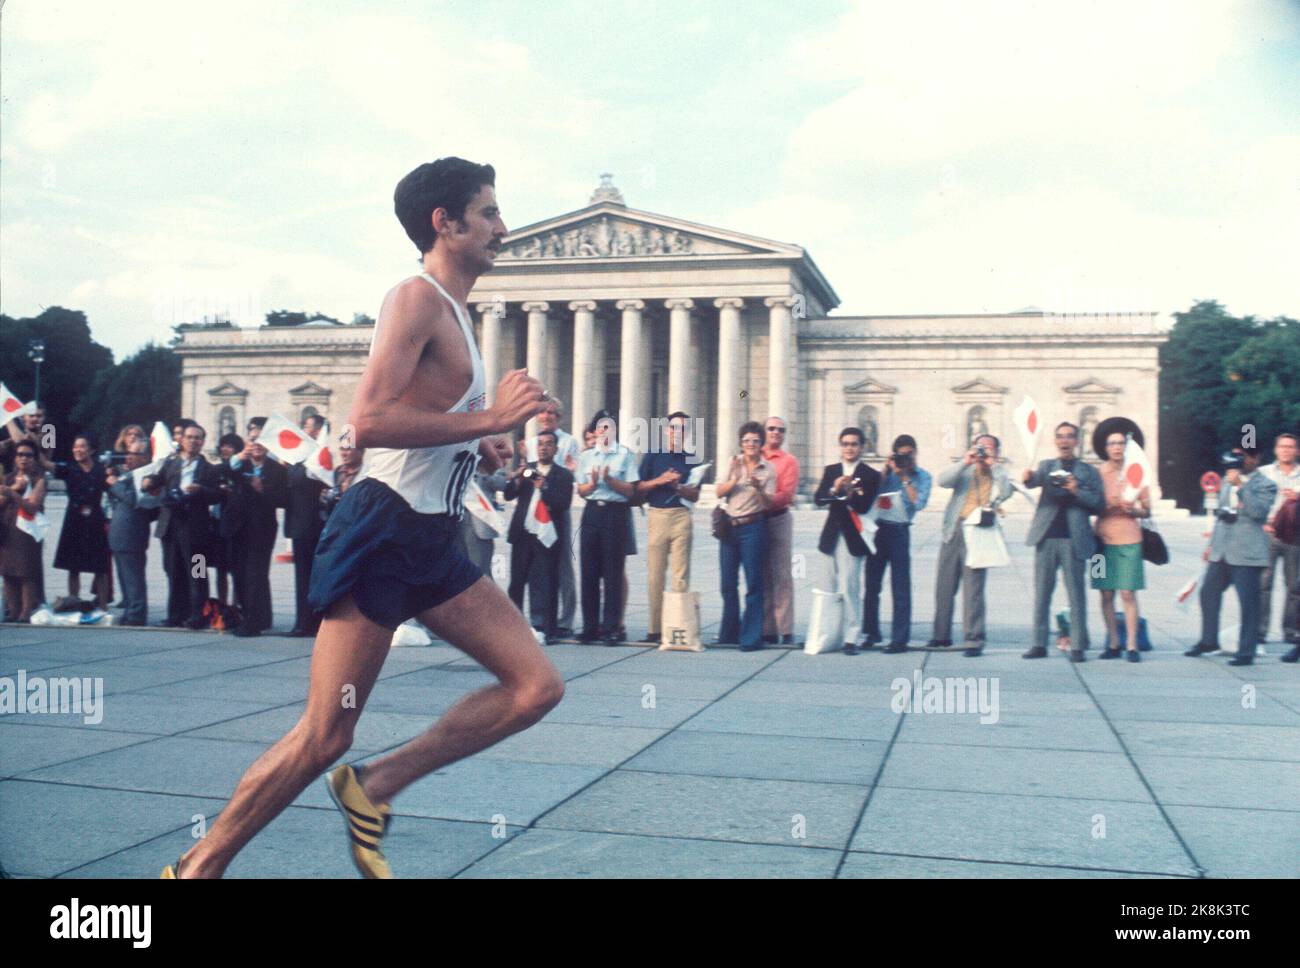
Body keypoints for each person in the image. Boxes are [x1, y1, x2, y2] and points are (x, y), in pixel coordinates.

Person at [163, 157, 559, 879]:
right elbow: (370, 419)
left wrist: (488, 435)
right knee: (324, 733)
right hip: (382, 532)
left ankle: (377, 786)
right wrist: (491, 414)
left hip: (432, 541)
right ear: (447, 223)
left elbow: (425, 414)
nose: (504, 227)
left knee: (535, 688)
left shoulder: (456, 312)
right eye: (491, 212)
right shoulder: (415, 298)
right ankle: (196, 869)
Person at [1185, 445, 1276, 665]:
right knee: (1208, 593)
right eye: (1236, 458)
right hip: (1222, 551)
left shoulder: (1266, 484)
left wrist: (1241, 487)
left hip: (1247, 552)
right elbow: (1221, 516)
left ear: (1255, 458)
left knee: (1249, 603)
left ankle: (1246, 651)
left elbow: (1258, 512)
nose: (1239, 462)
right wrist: (1211, 546)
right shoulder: (1226, 481)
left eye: (1243, 458)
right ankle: (1208, 640)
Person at [1022, 422, 1104, 661]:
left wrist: (1076, 490)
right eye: (1060, 437)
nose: (1065, 441)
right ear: (1056, 441)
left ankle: (1077, 645)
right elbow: (1034, 480)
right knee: (1041, 593)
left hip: (1074, 538)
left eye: (1069, 437)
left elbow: (1099, 504)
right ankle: (1038, 643)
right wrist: (1027, 478)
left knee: (1076, 593)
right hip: (1046, 536)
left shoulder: (1089, 471)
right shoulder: (1047, 466)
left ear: (1077, 441)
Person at [931, 434, 1012, 657]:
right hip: (954, 529)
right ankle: (941, 635)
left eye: (988, 448)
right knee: (944, 586)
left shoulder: (998, 472)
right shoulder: (965, 469)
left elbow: (1006, 492)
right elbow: (943, 480)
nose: (983, 451)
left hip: (978, 532)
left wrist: (993, 466)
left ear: (996, 452)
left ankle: (973, 639)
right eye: (980, 446)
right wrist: (965, 461)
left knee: (973, 589)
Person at [144, 423, 221, 630]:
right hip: (171, 525)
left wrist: (201, 490)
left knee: (197, 572)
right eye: (189, 437)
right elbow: (156, 479)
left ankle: (199, 615)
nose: (193, 441)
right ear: (182, 440)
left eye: (198, 438)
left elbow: (217, 494)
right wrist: (147, 481)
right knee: (173, 570)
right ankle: (175, 614)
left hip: (196, 529)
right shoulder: (171, 464)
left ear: (203, 442)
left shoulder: (209, 469)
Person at [863, 434, 932, 653]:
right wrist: (885, 470)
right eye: (901, 455)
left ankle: (899, 638)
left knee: (900, 586)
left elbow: (919, 503)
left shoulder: (923, 476)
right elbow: (869, 494)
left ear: (915, 454)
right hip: (880, 528)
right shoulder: (887, 473)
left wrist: (904, 477)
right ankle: (871, 633)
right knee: (872, 585)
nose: (905, 459)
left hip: (900, 530)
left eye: (909, 454)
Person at [814, 427, 881, 654]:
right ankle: (826, 634)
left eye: (854, 444)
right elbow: (819, 499)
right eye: (845, 444)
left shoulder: (871, 474)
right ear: (840, 446)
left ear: (862, 447)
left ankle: (851, 636)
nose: (849, 448)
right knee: (827, 587)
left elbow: (864, 506)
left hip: (853, 537)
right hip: (831, 535)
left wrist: (851, 492)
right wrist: (835, 488)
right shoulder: (831, 470)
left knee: (850, 587)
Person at [575, 409, 639, 644]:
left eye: (609, 427)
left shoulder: (625, 455)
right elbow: (580, 490)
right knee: (588, 571)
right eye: (600, 427)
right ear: (594, 431)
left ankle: (611, 627)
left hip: (615, 514)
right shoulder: (586, 457)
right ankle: (590, 627)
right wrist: (591, 485)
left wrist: (611, 481)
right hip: (592, 511)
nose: (604, 432)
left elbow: (632, 490)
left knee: (613, 572)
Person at [637, 412, 702, 643]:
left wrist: (680, 488)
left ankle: (677, 627)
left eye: (682, 429)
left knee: (680, 575)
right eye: (673, 428)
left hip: (681, 516)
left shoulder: (692, 458)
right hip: (657, 516)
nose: (677, 433)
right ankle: (654, 629)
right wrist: (661, 480)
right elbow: (640, 487)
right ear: (666, 431)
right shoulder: (654, 456)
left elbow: (696, 495)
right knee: (655, 575)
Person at [505, 430, 574, 643]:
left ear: (556, 449)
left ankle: (549, 629)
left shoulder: (563, 475)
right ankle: (513, 628)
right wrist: (516, 478)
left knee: (549, 582)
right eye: (541, 443)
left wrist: (544, 487)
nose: (544, 447)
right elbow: (509, 495)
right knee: (517, 582)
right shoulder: (529, 471)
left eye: (549, 444)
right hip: (523, 533)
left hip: (547, 535)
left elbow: (563, 504)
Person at [1091, 419, 1152, 662]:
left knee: (1128, 592)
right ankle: (1113, 642)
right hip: (1100, 540)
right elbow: (1089, 503)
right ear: (1105, 448)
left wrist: (1134, 509)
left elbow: (1147, 509)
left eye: (1121, 443)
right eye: (1112, 443)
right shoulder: (1097, 474)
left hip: (1129, 538)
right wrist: (1104, 505)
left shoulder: (1136, 472)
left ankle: (1132, 644)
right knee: (1105, 593)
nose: (1117, 447)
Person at [716, 422, 776, 651]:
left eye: (756, 441)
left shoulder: (768, 469)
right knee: (728, 583)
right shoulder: (733, 463)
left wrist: (759, 488)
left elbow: (769, 503)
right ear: (741, 443)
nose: (751, 444)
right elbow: (719, 491)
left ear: (761, 444)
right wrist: (735, 478)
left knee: (754, 583)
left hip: (753, 527)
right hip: (730, 527)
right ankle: (729, 633)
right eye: (747, 441)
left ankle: (751, 637)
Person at [523, 398, 579, 632]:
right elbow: (529, 473)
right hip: (535, 509)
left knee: (563, 565)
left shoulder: (569, 442)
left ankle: (565, 619)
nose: (546, 416)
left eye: (551, 412)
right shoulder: (531, 441)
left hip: (557, 509)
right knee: (536, 566)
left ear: (559, 416)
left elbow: (569, 474)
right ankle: (538, 617)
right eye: (542, 412)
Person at [229, 430, 288, 638]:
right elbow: (223, 471)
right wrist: (239, 456)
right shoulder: (239, 465)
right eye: (253, 440)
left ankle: (252, 622)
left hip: (262, 529)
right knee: (239, 573)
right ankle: (258, 616)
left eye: (262, 440)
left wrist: (262, 490)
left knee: (256, 574)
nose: (257, 445)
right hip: (237, 528)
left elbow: (283, 499)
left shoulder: (277, 470)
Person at [52, 435, 112, 608]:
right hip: (74, 521)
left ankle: (103, 606)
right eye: (75, 446)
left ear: (91, 450)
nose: (77, 450)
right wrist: (47, 435)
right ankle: (73, 601)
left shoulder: (102, 470)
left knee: (100, 567)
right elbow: (44, 462)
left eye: (82, 446)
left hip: (95, 521)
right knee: (73, 566)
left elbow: (113, 489)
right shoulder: (69, 469)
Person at [284, 413, 329, 637]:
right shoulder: (298, 458)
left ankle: (310, 621)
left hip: (312, 525)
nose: (303, 429)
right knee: (302, 577)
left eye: (307, 426)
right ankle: (304, 620)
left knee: (311, 577)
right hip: (299, 525)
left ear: (318, 431)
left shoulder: (320, 458)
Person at [105, 440, 155, 626]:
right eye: (128, 453)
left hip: (132, 534)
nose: (129, 457)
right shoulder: (129, 474)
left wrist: (115, 484)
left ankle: (136, 614)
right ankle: (129, 611)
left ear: (145, 457)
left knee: (133, 578)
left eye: (134, 454)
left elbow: (134, 499)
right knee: (125, 577)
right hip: (121, 534)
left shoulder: (147, 476)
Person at [761, 416, 800, 645]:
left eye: (781, 430)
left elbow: (786, 494)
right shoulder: (755, 455)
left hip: (778, 519)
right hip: (756, 521)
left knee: (782, 575)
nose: (776, 432)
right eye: (772, 428)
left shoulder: (789, 461)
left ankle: (785, 629)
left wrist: (760, 500)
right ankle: (767, 629)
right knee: (762, 575)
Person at [1259, 432, 1299, 645]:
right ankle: (1260, 630)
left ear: (1297, 451)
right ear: (1276, 449)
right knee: (1264, 584)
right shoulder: (1263, 473)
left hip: (1295, 537)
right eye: (1282, 446)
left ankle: (1290, 630)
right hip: (1269, 534)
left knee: (1294, 587)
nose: (1286, 450)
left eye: (1290, 447)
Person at [0, 440, 48, 621]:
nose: (24, 458)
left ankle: (26, 611)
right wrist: (13, 488)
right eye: (20, 454)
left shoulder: (39, 480)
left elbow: (32, 507)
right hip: (8, 527)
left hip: (28, 529)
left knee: (27, 571)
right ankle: (13, 610)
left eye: (28, 455)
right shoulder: (9, 478)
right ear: (15, 458)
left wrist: (13, 495)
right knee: (8, 571)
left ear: (35, 459)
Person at [211, 432, 245, 609]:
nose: (225, 449)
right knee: (215, 569)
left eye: (230, 446)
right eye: (223, 445)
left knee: (234, 568)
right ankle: (219, 604)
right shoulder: (216, 469)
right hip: (213, 527)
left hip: (232, 528)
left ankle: (234, 605)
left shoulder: (240, 470)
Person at [1, 402, 55, 474]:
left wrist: (8, 418)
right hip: (16, 477)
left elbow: (21, 441)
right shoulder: (15, 436)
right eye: (31, 416)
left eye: (39, 416)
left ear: (44, 418)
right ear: (23, 417)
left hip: (39, 477)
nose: (35, 419)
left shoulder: (48, 435)